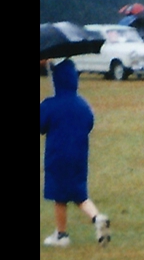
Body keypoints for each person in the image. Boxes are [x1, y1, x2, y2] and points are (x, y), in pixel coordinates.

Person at [40, 59, 111, 247]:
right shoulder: (82, 104)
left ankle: (61, 235)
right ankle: (97, 217)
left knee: (59, 195)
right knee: (80, 195)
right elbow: (89, 123)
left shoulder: (50, 104)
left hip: (57, 157)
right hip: (79, 156)